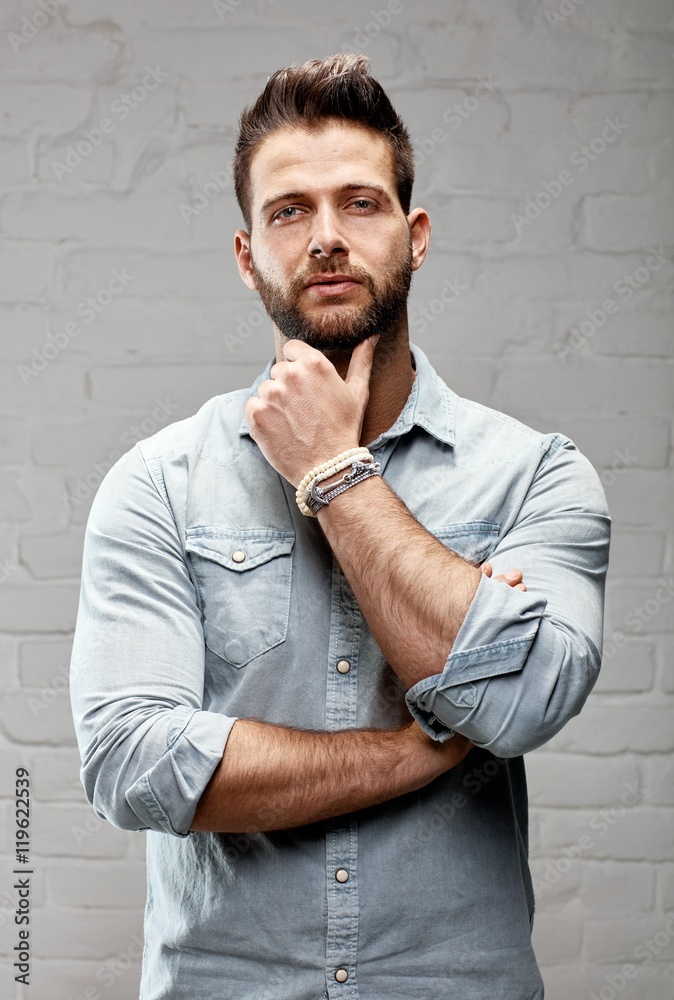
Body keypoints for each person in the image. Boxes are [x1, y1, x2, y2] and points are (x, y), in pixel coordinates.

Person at [69, 53, 611, 1000]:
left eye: (360, 203)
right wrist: (419, 746)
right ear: (249, 257)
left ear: (417, 234)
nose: (326, 238)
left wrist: (335, 474)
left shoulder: (537, 475)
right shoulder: (157, 484)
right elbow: (135, 765)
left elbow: (521, 706)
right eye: (289, 211)